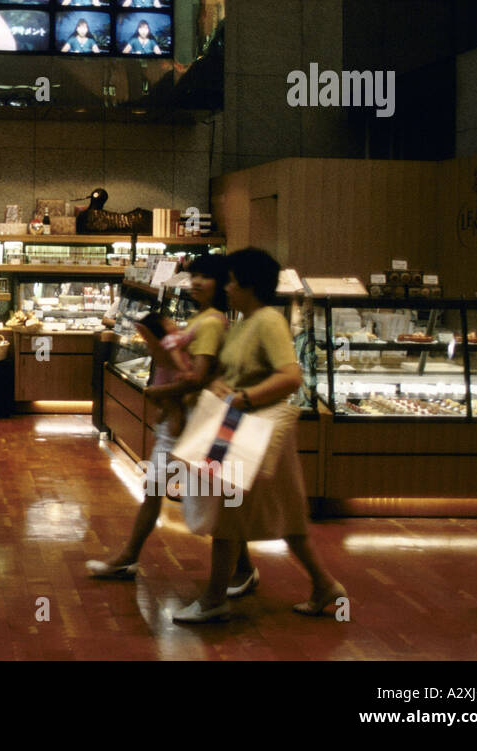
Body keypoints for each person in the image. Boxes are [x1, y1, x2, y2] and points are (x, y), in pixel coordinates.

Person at [172, 248, 347, 623]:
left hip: (248, 428)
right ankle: (324, 584)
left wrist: (242, 396)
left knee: (229, 517)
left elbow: (289, 376)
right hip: (239, 427)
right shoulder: (245, 320)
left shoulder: (268, 320)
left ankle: (214, 599)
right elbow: (234, 371)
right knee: (286, 517)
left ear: (250, 285)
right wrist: (222, 384)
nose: (228, 288)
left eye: (233, 281)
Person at [88, 255, 246, 580]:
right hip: (183, 420)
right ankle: (129, 556)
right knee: (158, 488)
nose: (198, 282)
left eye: (206, 277)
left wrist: (159, 393)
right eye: (195, 276)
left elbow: (198, 376)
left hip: (194, 423)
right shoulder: (204, 318)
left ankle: (239, 573)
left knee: (211, 501)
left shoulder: (213, 322)